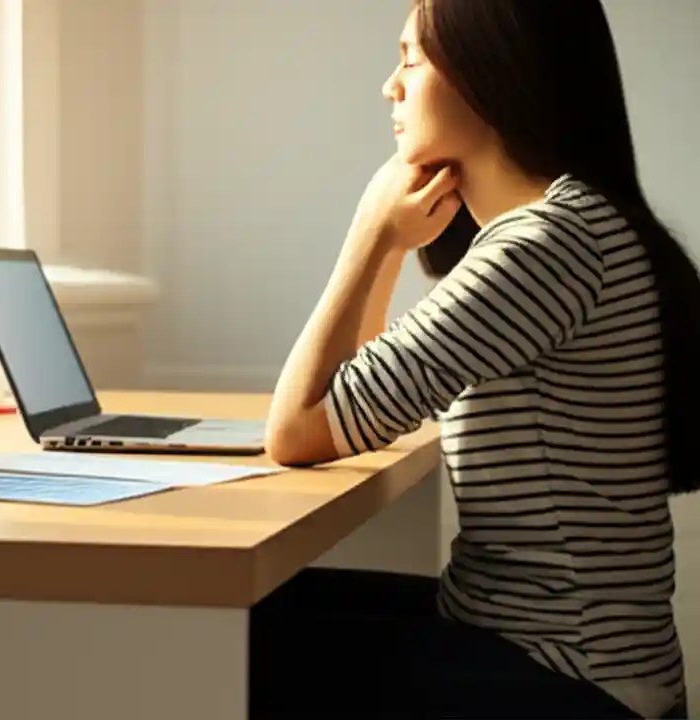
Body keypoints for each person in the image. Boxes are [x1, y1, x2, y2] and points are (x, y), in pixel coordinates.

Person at [256, 0, 698, 717]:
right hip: (541, 646)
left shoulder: (548, 246)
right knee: (263, 608)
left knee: (243, 638)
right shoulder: (571, 227)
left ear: (487, 70)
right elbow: (360, 399)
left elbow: (300, 429)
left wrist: (369, 235)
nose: (389, 87)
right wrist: (391, 246)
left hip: (571, 678)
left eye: (410, 59)